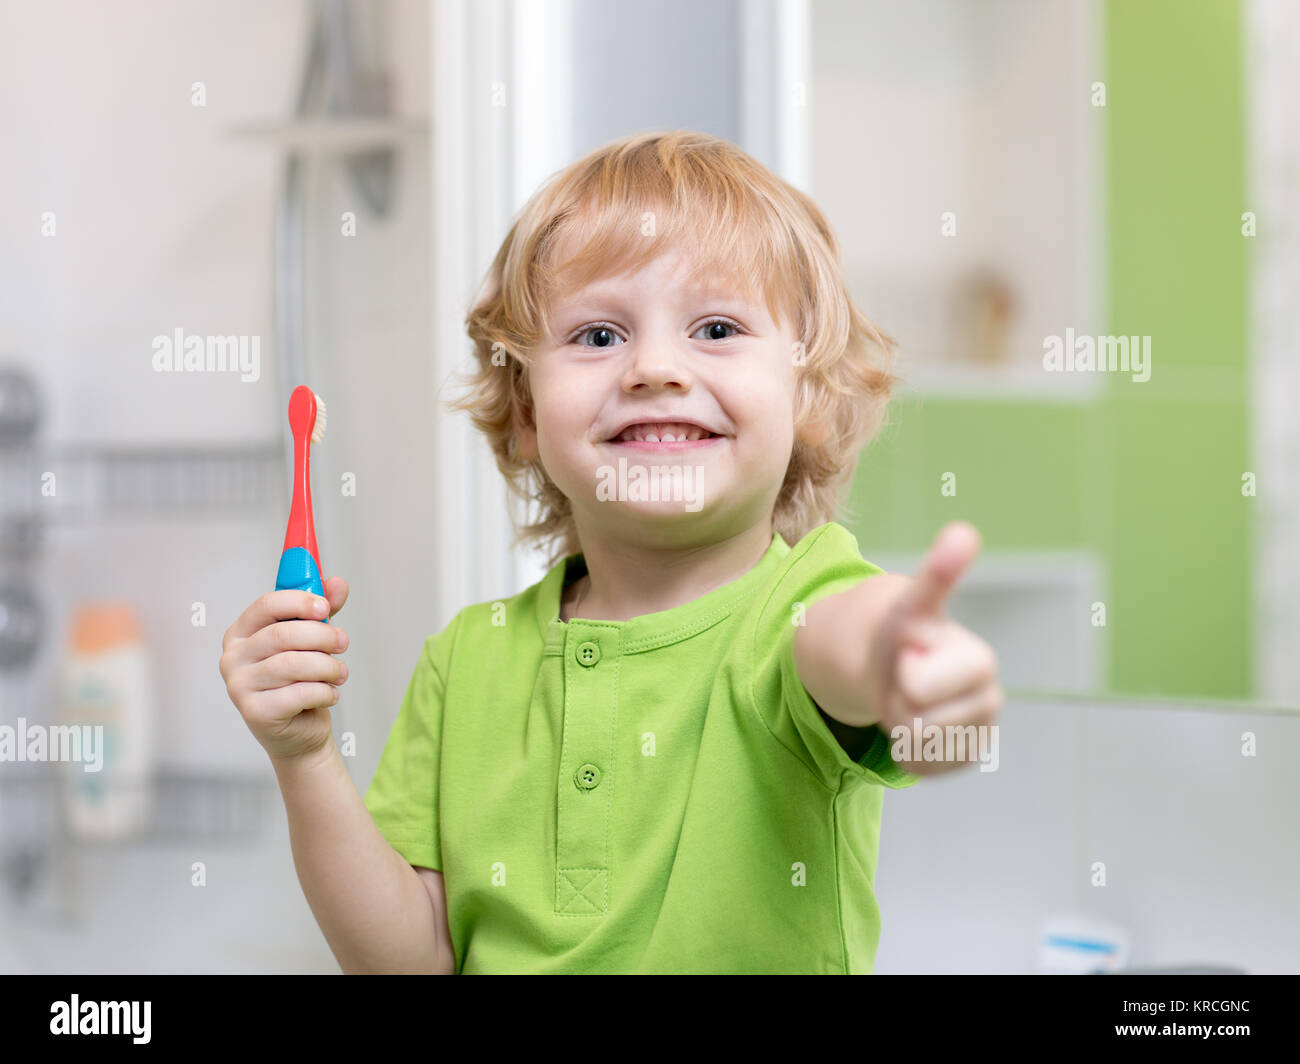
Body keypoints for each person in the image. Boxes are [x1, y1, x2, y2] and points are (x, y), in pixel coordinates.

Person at [219, 130, 1002, 974]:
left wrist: (903, 665)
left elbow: (849, 642)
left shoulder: (801, 609)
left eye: (716, 327)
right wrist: (301, 757)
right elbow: (409, 961)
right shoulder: (465, 662)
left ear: (803, 394)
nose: (655, 367)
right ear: (524, 411)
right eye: (597, 336)